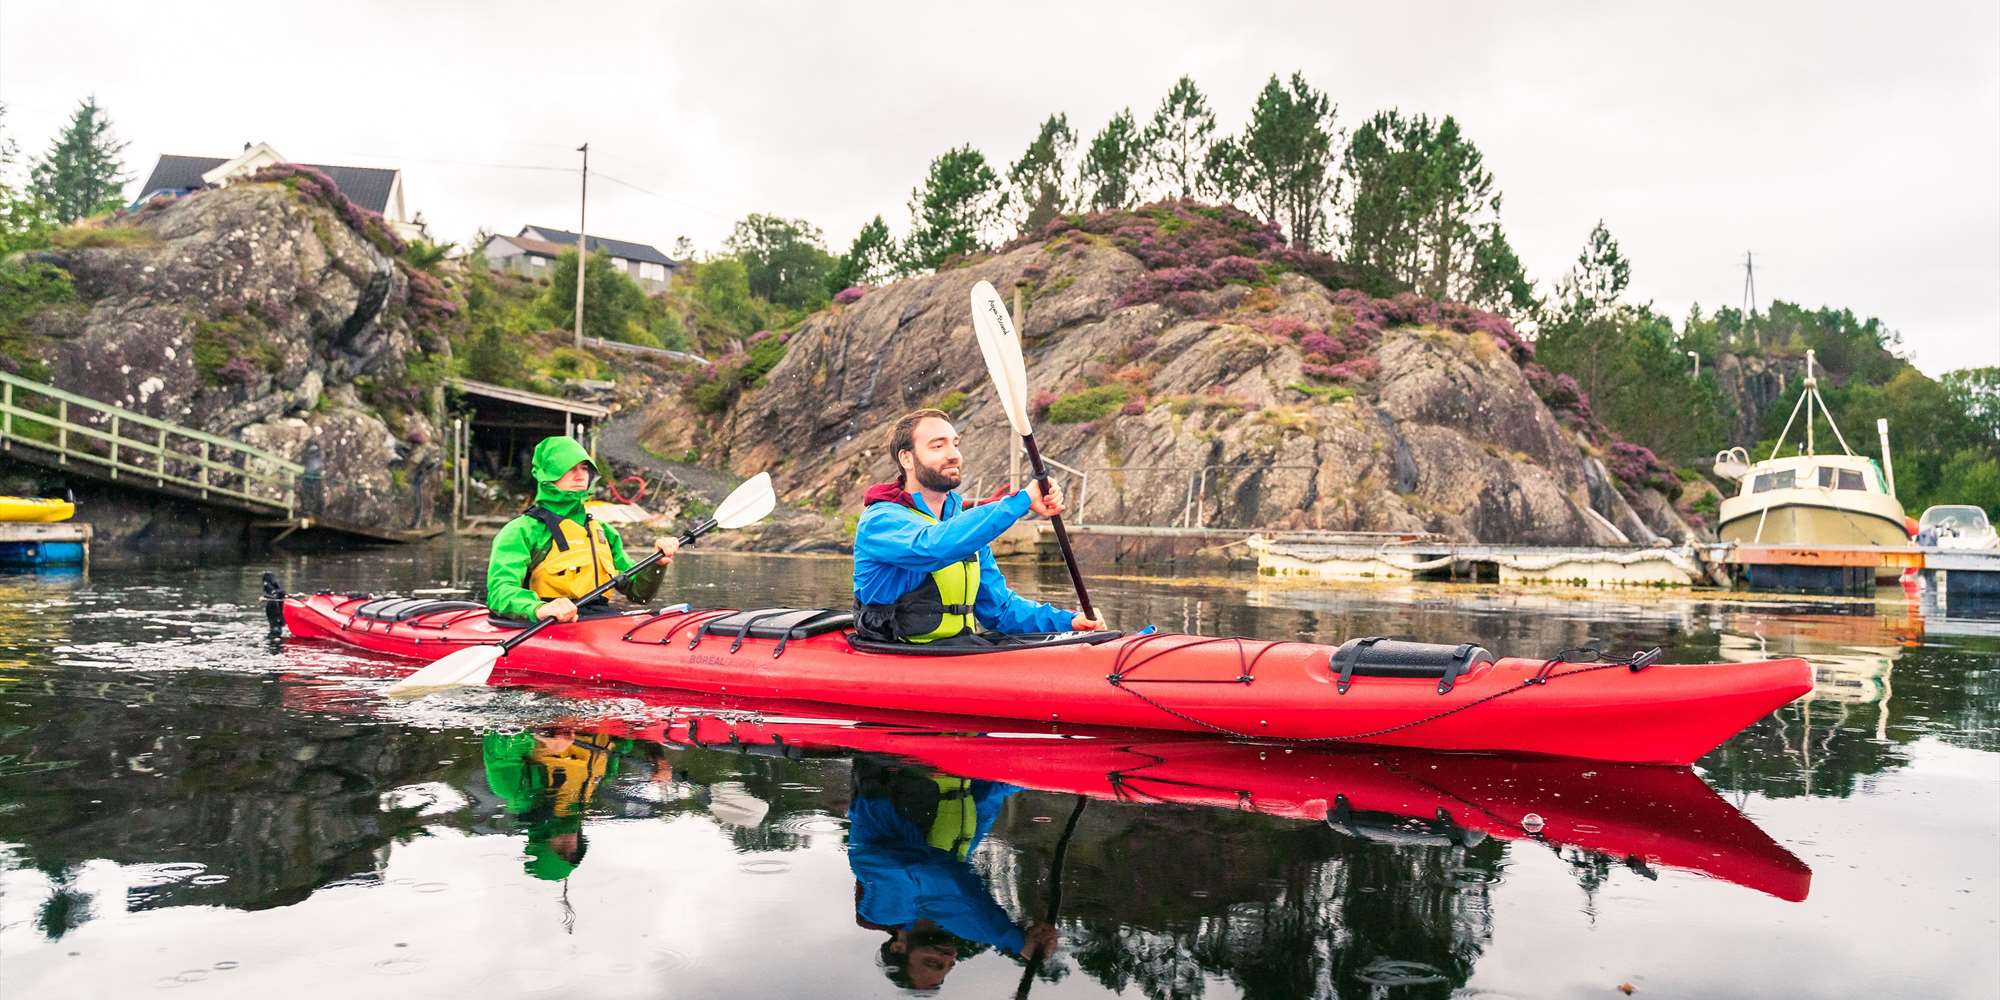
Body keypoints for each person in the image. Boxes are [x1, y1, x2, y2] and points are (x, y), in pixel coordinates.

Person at [851, 409, 1103, 644]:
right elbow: (932, 547)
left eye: (955, 444)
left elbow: (1000, 610)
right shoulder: (881, 520)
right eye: (938, 446)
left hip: (959, 650)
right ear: (906, 458)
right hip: (896, 652)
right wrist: (1022, 501)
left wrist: (1069, 621)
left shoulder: (962, 526)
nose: (953, 454)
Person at [847, 758, 1059, 990]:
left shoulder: (883, 912)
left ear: (898, 947)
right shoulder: (958, 852)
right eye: (949, 965)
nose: (949, 958)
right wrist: (1054, 773)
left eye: (933, 962)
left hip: (902, 749)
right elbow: (989, 794)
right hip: (957, 746)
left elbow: (934, 877)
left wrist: (1014, 941)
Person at [486, 436, 678, 624]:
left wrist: (657, 564)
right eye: (569, 469)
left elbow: (640, 595)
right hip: (550, 623)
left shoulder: (603, 532)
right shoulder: (521, 531)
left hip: (599, 619)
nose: (580, 476)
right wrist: (538, 609)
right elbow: (500, 592)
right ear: (547, 473)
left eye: (584, 468)